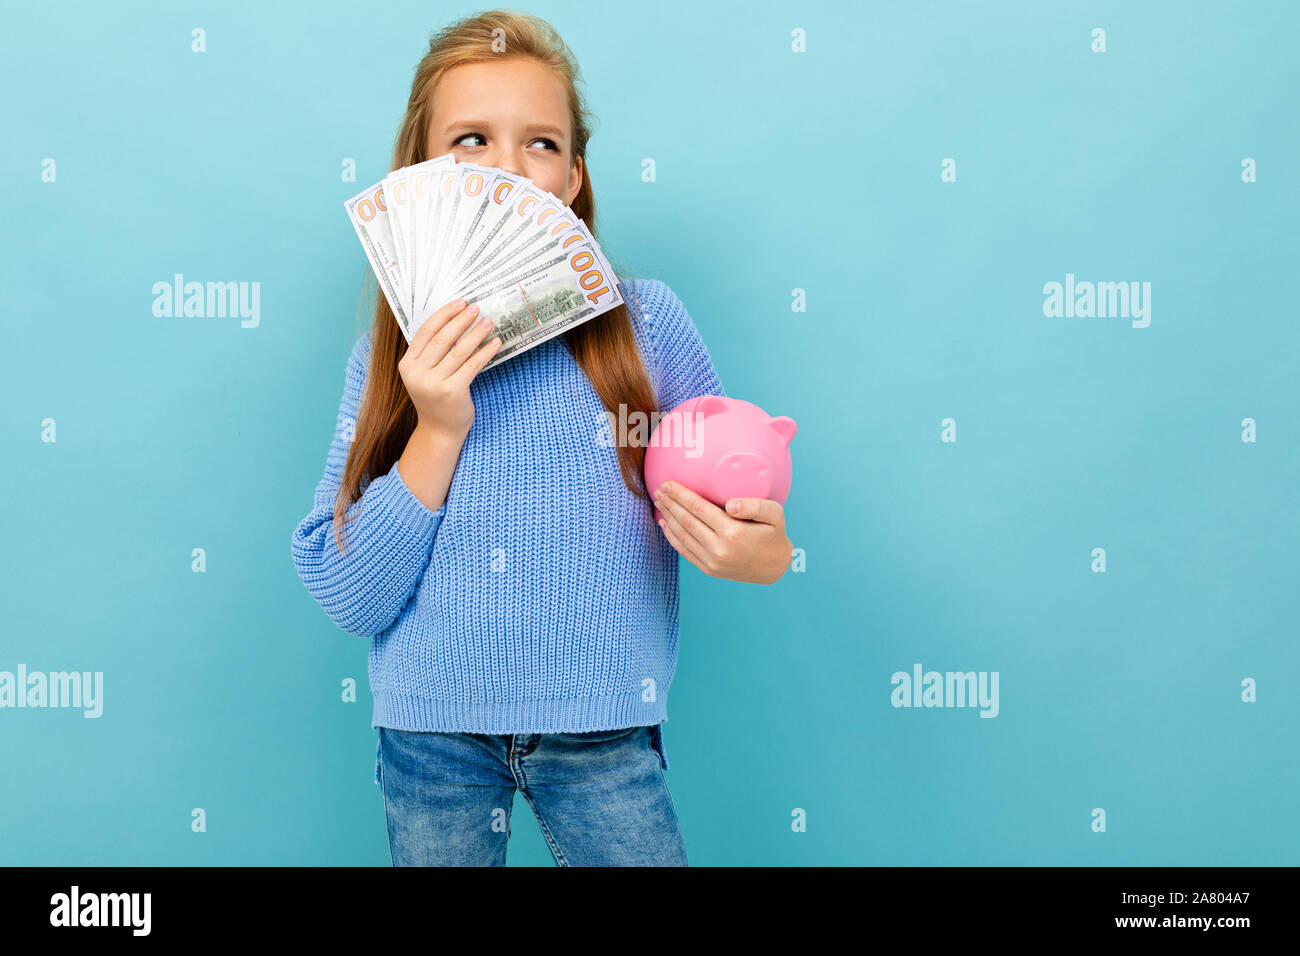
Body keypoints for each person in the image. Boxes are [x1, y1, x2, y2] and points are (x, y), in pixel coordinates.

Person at [290, 9, 793, 866]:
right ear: (418, 178)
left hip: (603, 725)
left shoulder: (649, 327)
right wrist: (438, 425)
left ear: (571, 181)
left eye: (542, 144)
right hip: (430, 733)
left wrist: (762, 551)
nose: (508, 173)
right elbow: (347, 595)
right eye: (472, 140)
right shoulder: (385, 366)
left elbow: (739, 498)